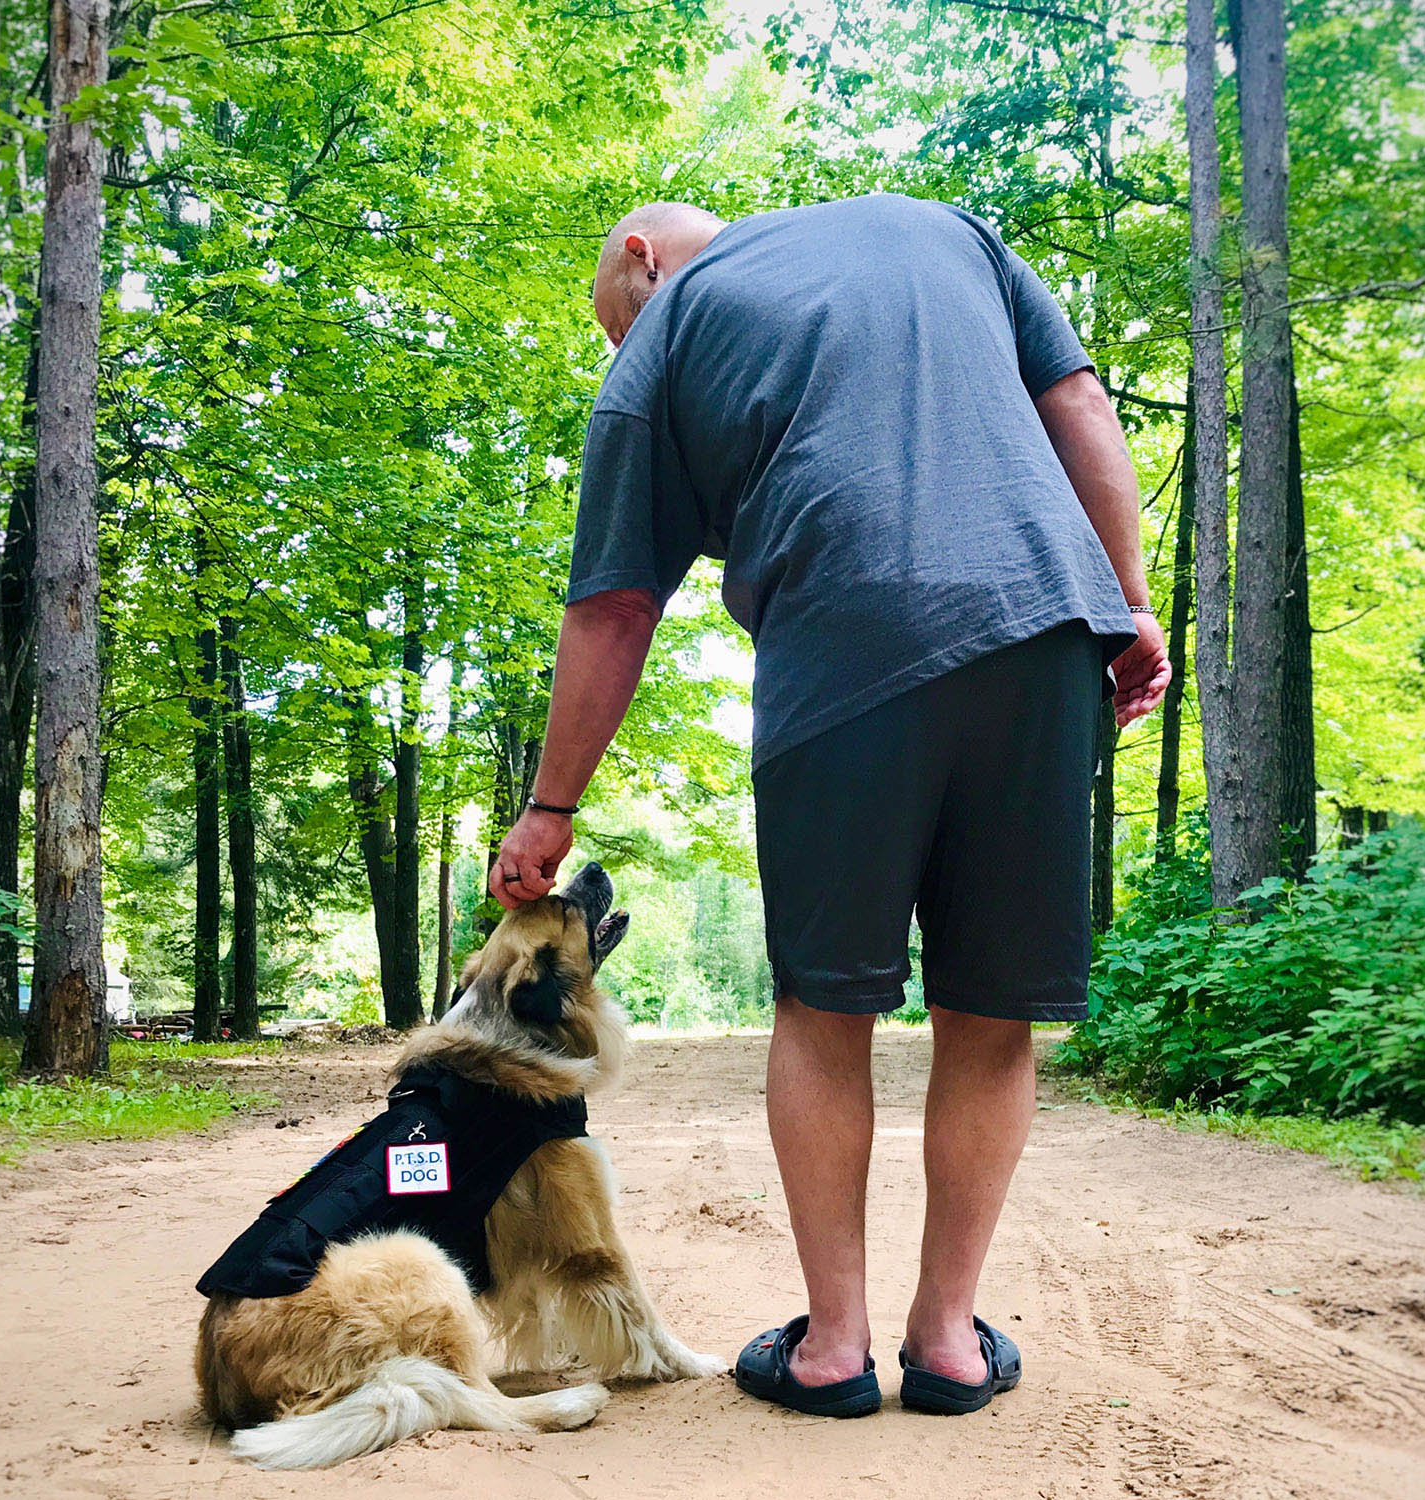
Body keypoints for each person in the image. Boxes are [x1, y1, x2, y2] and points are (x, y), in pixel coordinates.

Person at [488, 196, 1171, 1418]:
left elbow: (612, 608)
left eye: (612, 324)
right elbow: (1075, 402)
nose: (618, 351)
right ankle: (951, 1342)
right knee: (991, 1001)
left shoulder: (663, 338)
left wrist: (549, 811)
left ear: (641, 262)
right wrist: (1125, 595)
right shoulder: (943, 229)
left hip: (843, 647)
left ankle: (833, 1349)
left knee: (822, 1001)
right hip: (1042, 623)